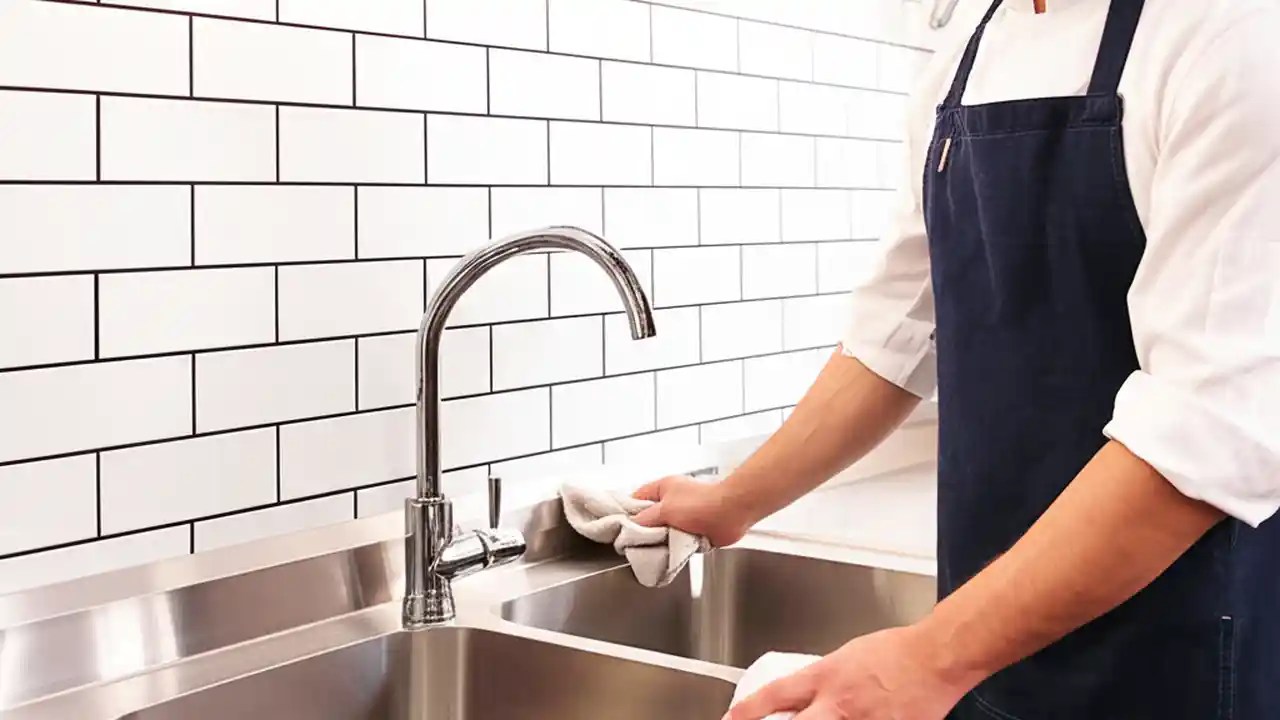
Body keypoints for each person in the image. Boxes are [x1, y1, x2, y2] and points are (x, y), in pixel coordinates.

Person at [633, 0, 1280, 717]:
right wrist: (734, 501)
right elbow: (901, 329)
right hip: (990, 632)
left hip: (1177, 650)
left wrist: (931, 657)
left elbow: (1211, 426)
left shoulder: (1233, 33)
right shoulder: (966, 55)